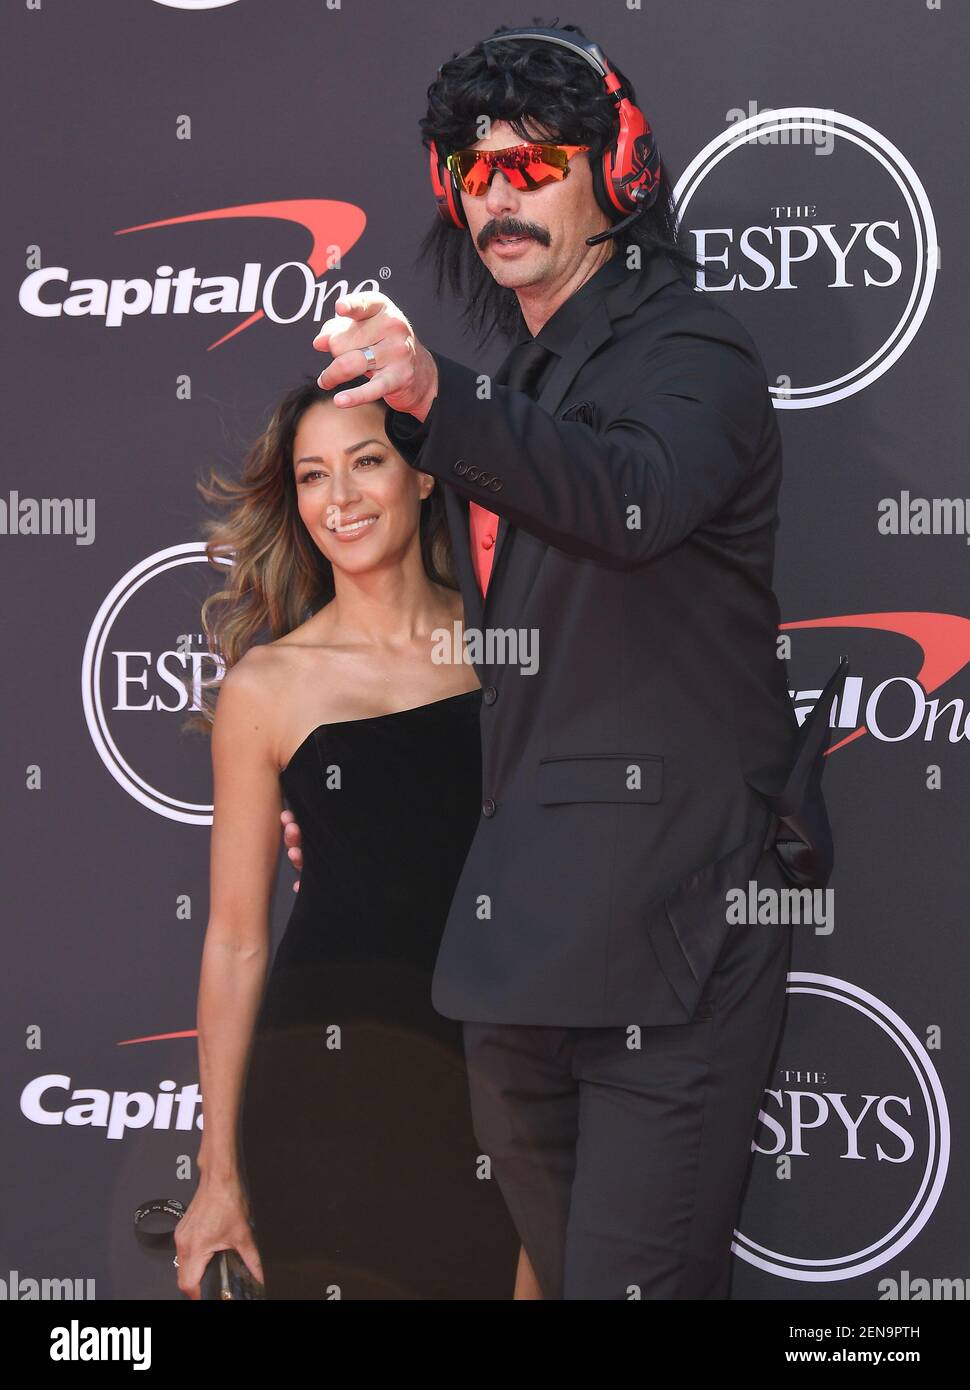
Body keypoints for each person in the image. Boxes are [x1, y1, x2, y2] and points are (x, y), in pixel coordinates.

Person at [286, 23, 846, 1299]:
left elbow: (631, 499)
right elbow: (529, 692)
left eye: (537, 163)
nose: (503, 195)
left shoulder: (691, 350)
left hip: (672, 938)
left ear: (617, 170)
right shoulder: (525, 377)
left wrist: (441, 395)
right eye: (474, 173)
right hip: (522, 959)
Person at [173, 373, 522, 1299]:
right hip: (327, 1084)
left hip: (503, 1082)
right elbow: (238, 938)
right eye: (314, 475)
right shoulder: (267, 687)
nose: (342, 499)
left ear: (421, 474)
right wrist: (217, 1173)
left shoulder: (508, 644)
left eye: (367, 461)